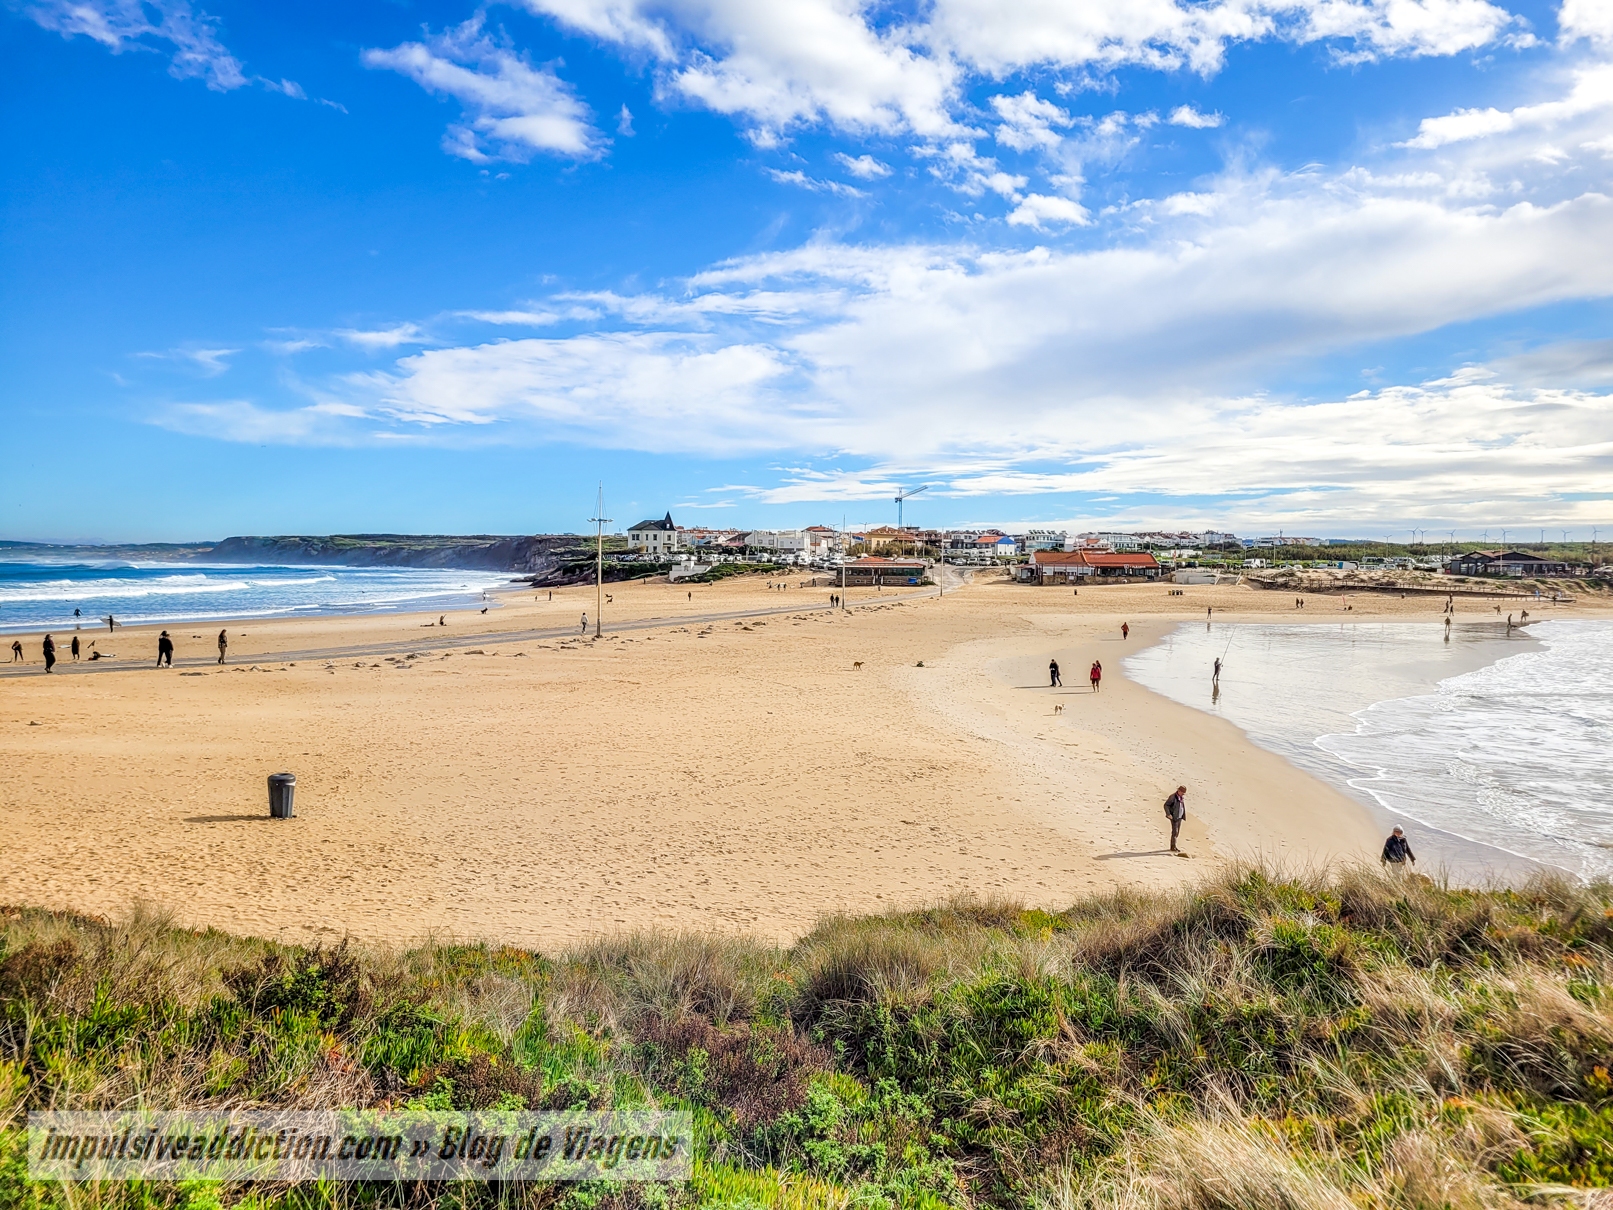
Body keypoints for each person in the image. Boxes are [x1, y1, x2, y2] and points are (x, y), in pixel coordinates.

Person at [1164, 785, 1187, 852]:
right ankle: (1173, 847)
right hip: (1174, 817)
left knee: (1177, 832)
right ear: (1179, 791)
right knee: (1175, 832)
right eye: (1182, 793)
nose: (1183, 794)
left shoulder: (1180, 797)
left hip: (1179, 817)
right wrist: (1168, 814)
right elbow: (1166, 805)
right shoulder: (1173, 797)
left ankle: (1174, 846)